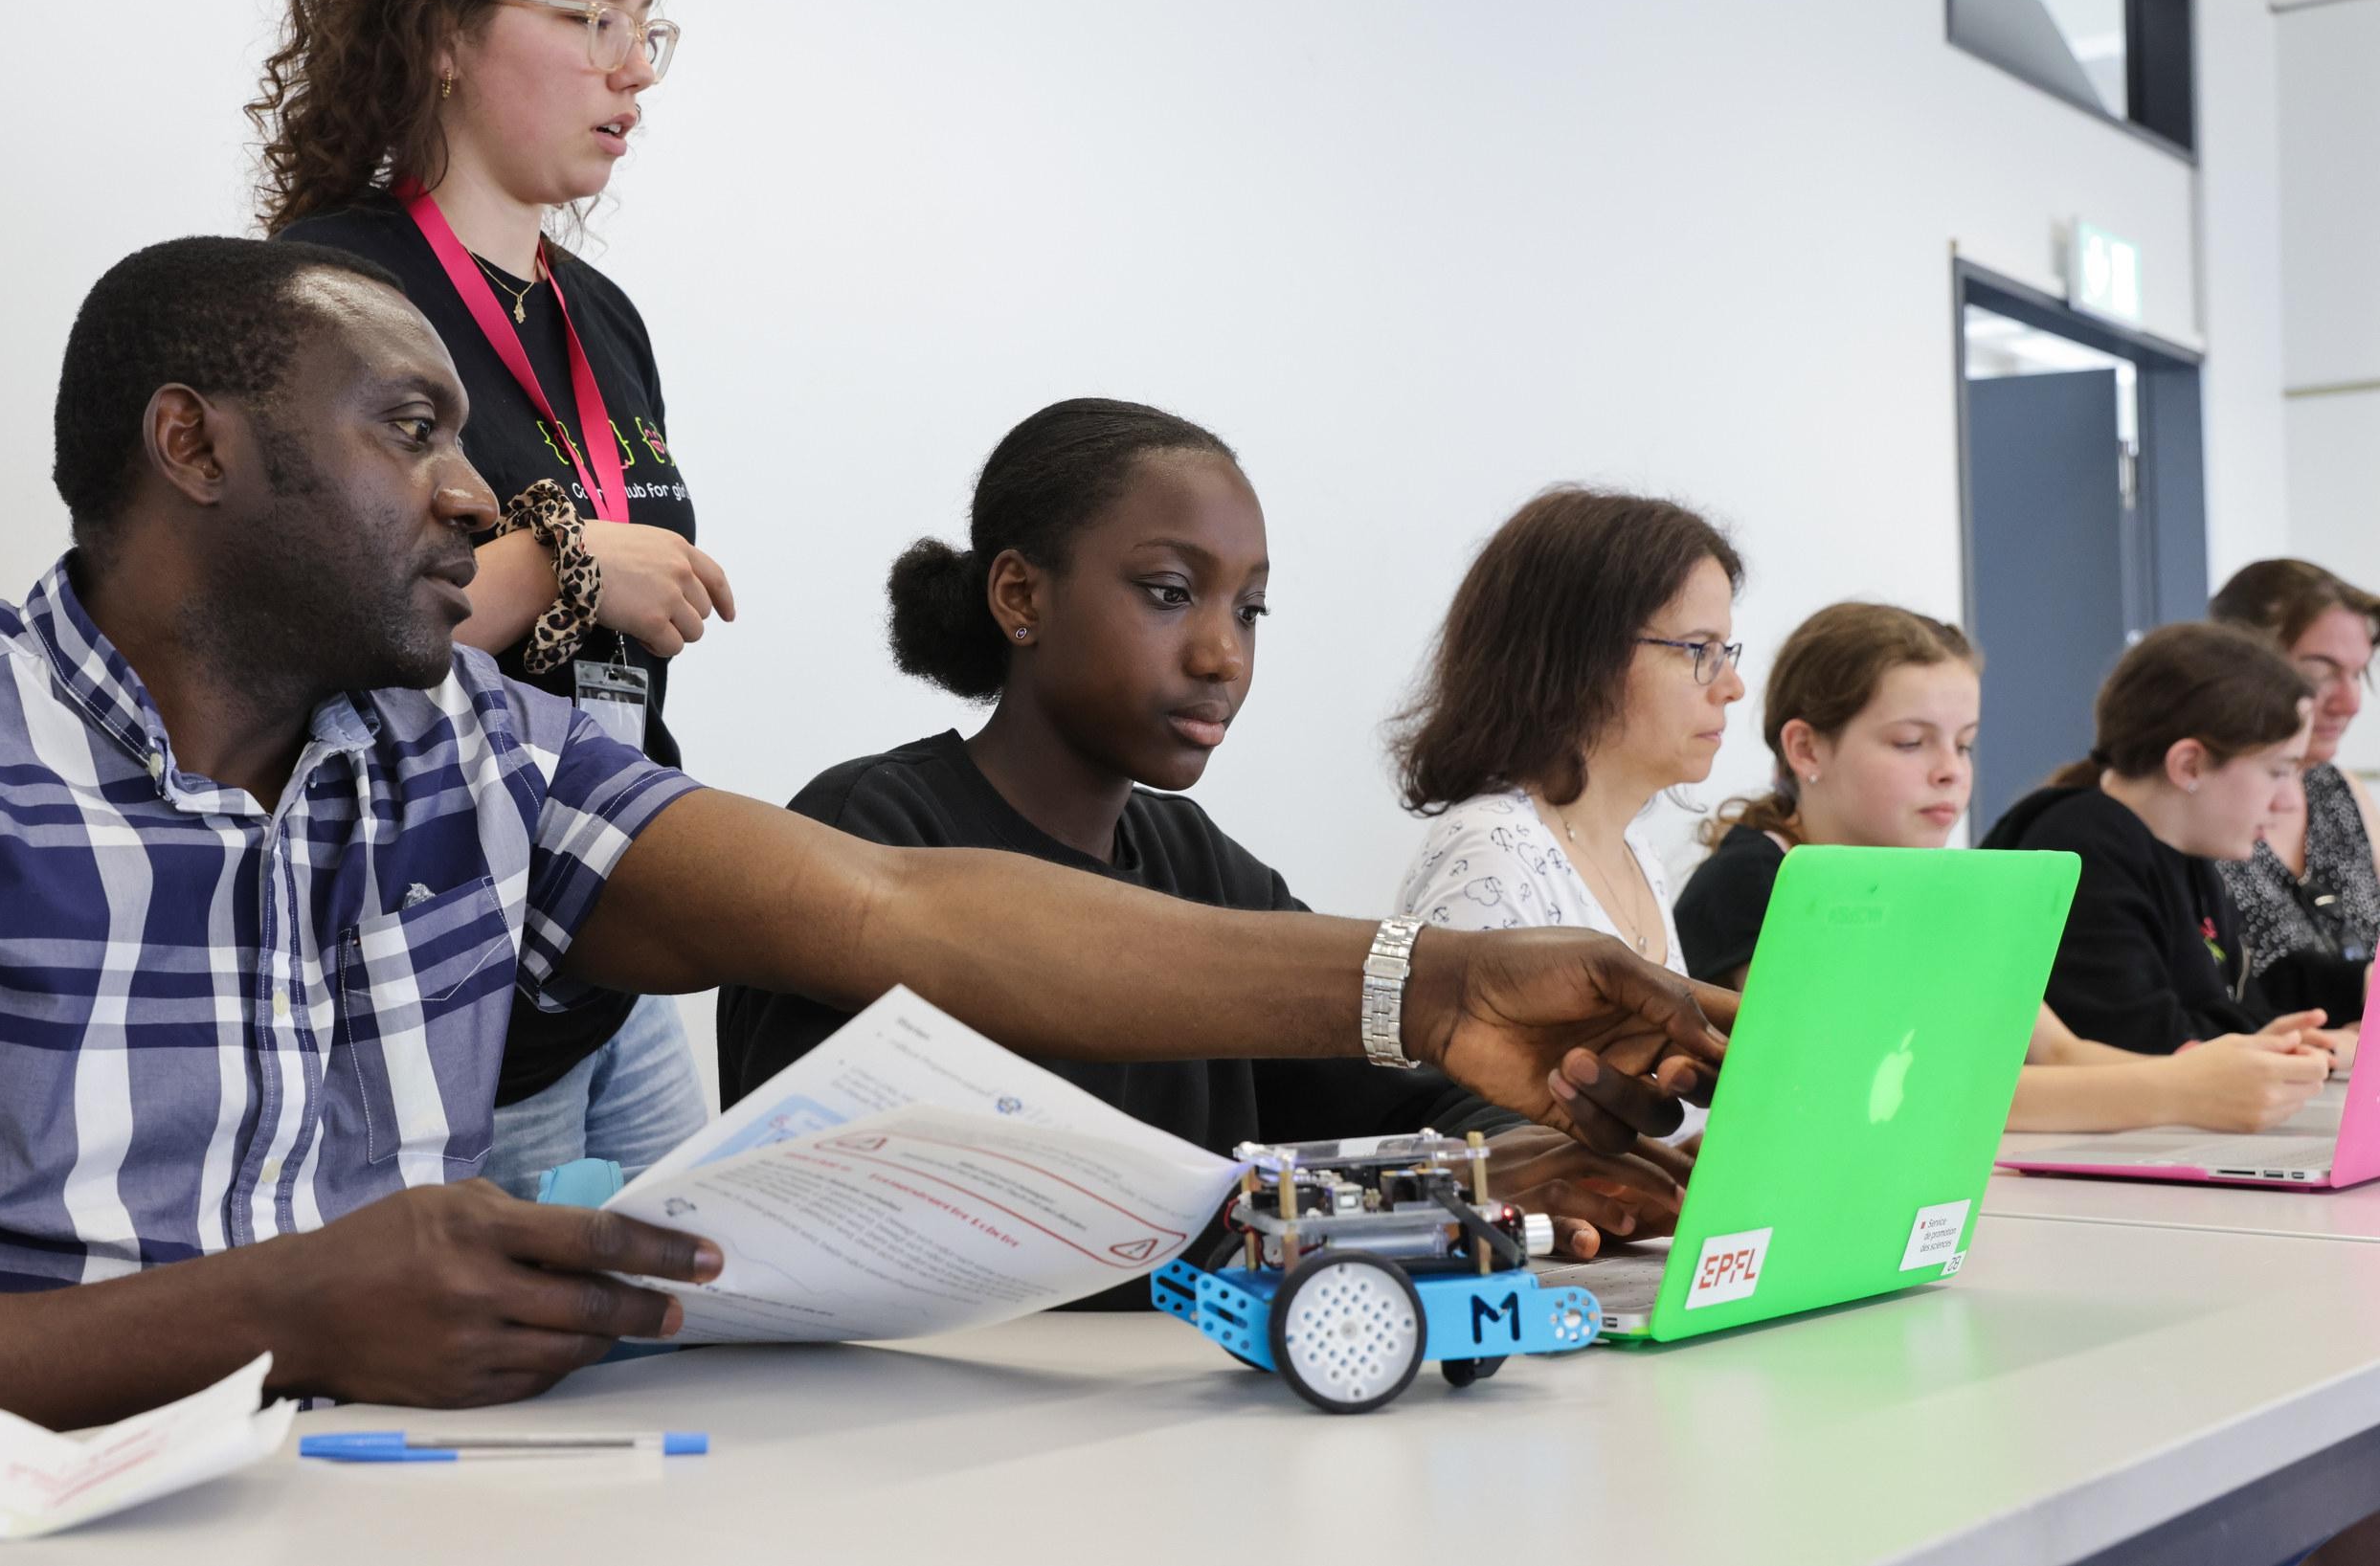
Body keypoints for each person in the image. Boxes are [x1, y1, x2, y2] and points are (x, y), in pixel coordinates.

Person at [0, 239, 1732, 1494]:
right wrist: (284, 1310)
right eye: (405, 427)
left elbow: (895, 907)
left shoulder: (462, 750)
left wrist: (1426, 991)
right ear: (193, 442)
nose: (473, 493)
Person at [720, 401, 1689, 1277]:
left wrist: (1533, 1152)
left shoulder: (1197, 865)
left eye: (1249, 608)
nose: (1223, 654)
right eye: (1170, 591)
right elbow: (859, 1207)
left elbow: (1401, 1093)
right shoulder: (874, 834)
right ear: (1021, 597)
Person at [254, 0, 732, 1194]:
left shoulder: (603, 317)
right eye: (589, 19)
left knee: (697, 1336)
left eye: (646, 27)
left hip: (602, 942)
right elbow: (299, 631)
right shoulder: (327, 296)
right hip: (436, 967)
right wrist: (571, 567)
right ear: (443, 30)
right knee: (508, 1386)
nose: (631, 71)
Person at [1677, 603, 2329, 1133]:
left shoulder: (1938, 885)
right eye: (1911, 742)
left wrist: (2230, 1062)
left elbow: (2061, 1051)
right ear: (1805, 747)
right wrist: (2180, 1089)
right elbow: (1903, 1093)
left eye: (1963, 744)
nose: (1950, 769)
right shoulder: (1755, 884)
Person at [1390, 486, 1746, 981]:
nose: (1733, 687)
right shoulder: (1495, 853)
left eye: (1725, 651)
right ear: (1583, 659)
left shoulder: (1638, 854)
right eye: (1697, 649)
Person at [1979, 622, 2346, 1057]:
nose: (2288, 801)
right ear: (2189, 765)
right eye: (2278, 771)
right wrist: (2273, 1042)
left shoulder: (2187, 855)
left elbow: (2236, 1009)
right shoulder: (2086, 846)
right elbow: (2145, 1042)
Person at [2211, 560, 2380, 1012]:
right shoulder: (2196, 807)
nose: (2351, 702)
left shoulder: (2340, 791)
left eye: (2358, 673)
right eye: (2320, 671)